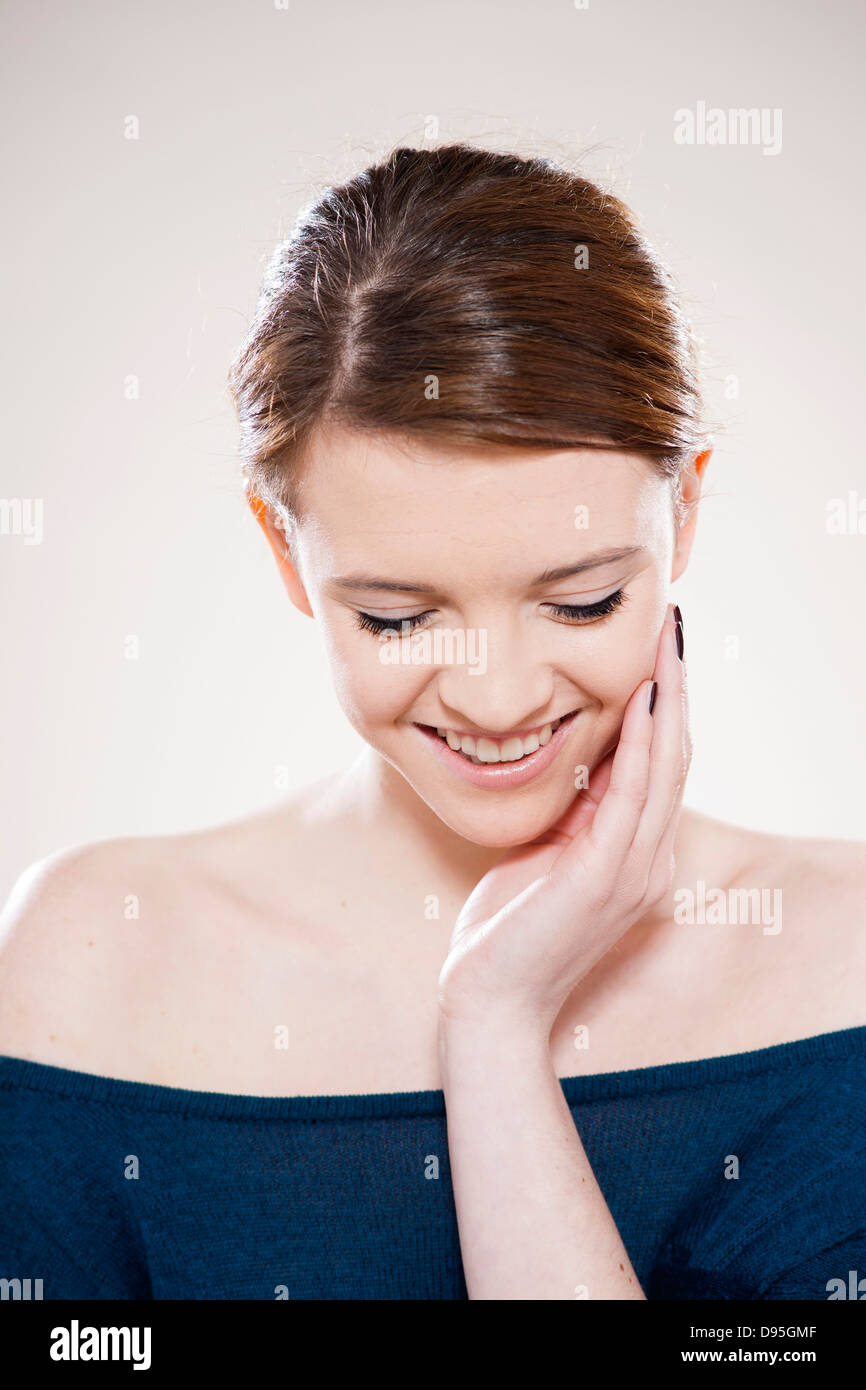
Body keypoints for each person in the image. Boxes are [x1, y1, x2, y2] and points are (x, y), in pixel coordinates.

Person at [2, 143, 865, 1301]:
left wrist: (498, 1033)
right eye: (398, 617)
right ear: (284, 550)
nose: (496, 696)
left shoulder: (842, 963)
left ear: (687, 510)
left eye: (581, 599)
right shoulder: (93, 956)